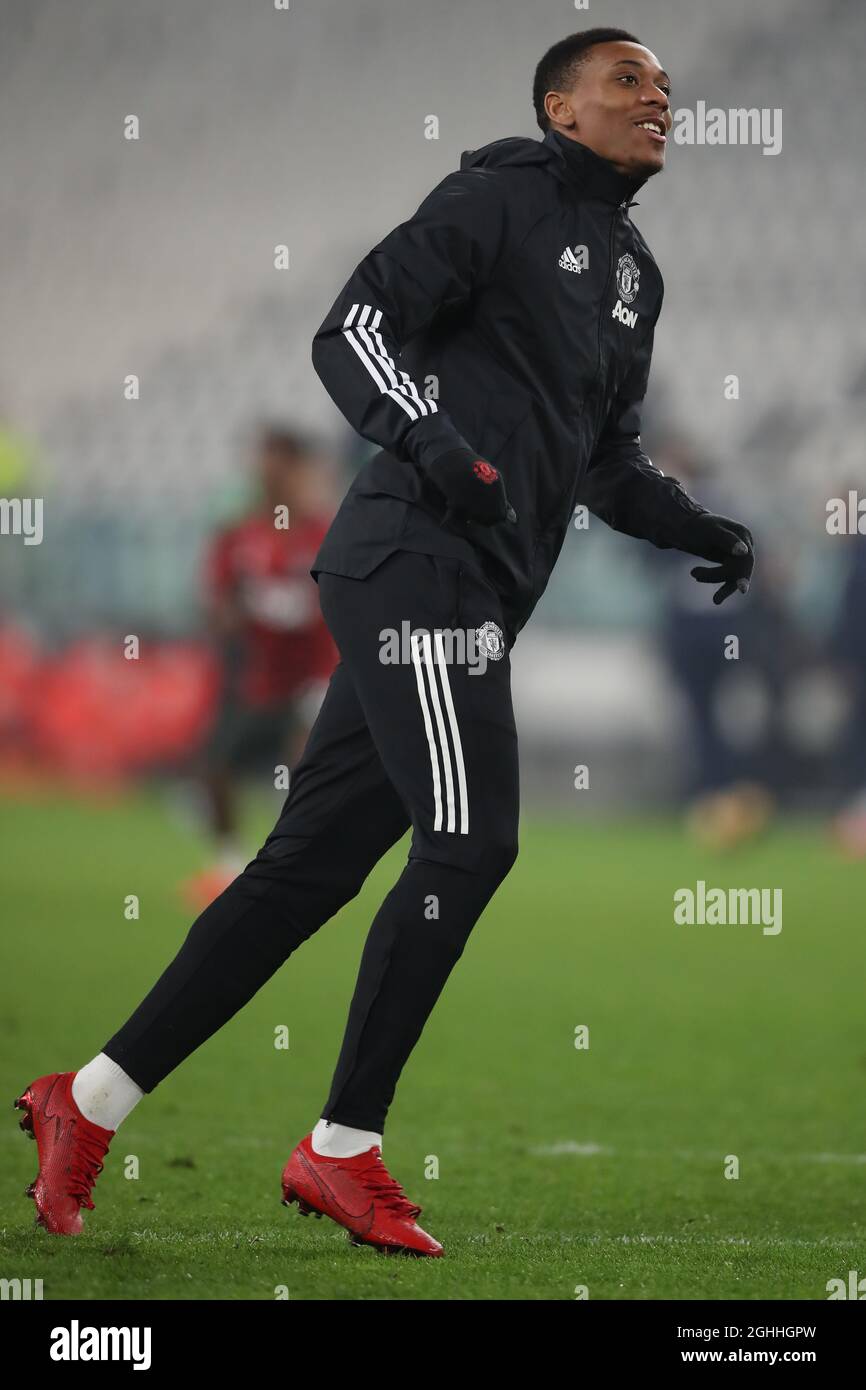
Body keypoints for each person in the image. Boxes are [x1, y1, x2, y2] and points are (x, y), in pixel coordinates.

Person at [15, 28, 754, 1258]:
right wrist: (433, 449)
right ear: (559, 109)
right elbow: (352, 329)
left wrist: (693, 525)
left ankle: (82, 1104)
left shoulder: (633, 274)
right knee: (470, 841)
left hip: (469, 586)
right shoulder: (493, 198)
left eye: (666, 85)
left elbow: (604, 459)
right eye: (626, 80)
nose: (658, 98)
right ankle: (342, 1148)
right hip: (411, 559)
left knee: (303, 872)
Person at [182, 427, 337, 909]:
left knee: (300, 769)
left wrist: (302, 609)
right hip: (258, 676)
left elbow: (343, 598)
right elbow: (217, 603)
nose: (268, 472)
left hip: (317, 674)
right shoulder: (238, 534)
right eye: (263, 461)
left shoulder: (323, 531)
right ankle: (229, 865)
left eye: (279, 462)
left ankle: (290, 872)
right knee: (214, 770)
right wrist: (239, 614)